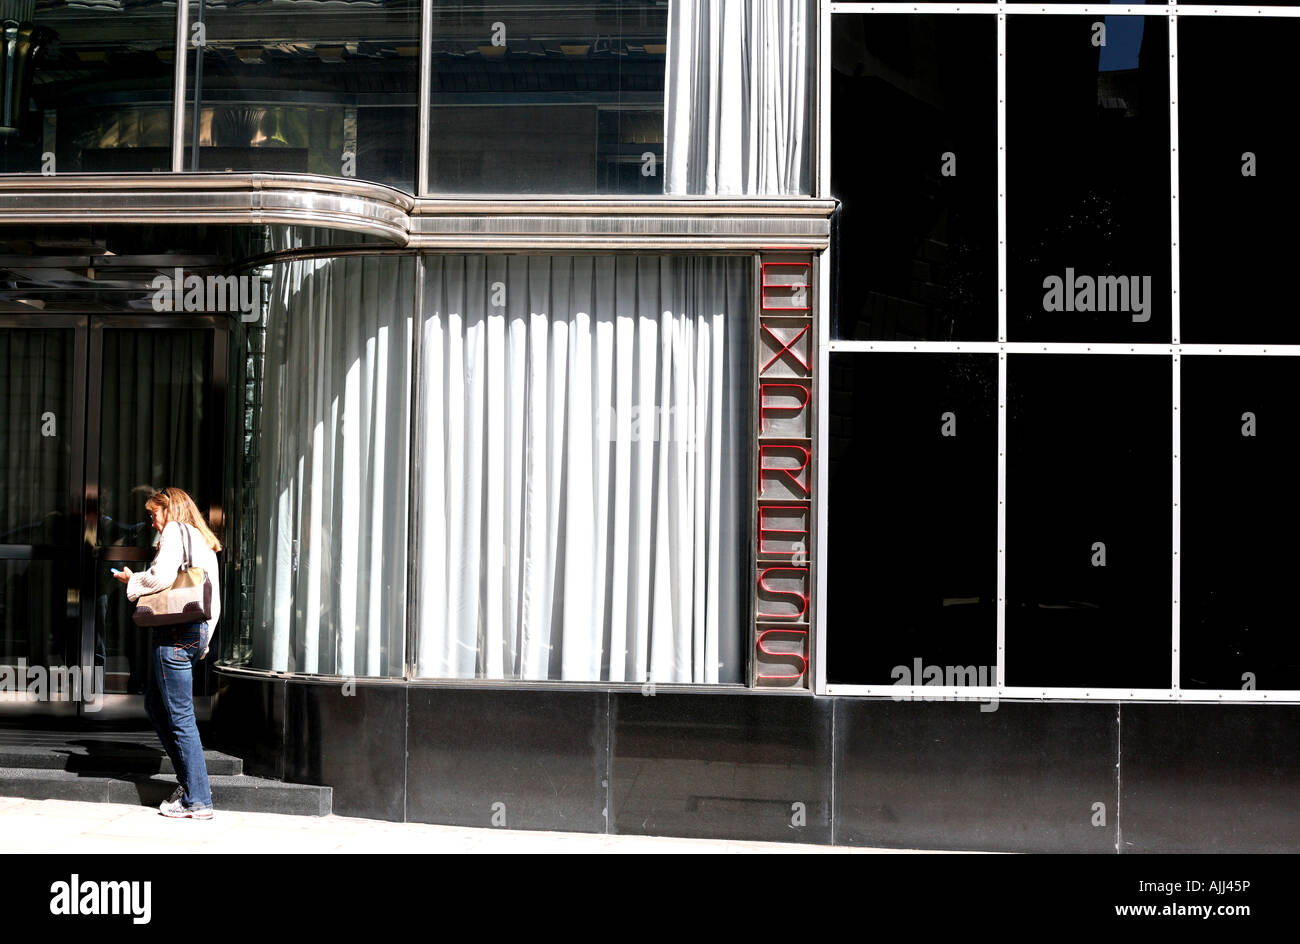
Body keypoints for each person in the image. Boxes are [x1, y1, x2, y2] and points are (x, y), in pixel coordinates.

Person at [113, 487, 222, 819]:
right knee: (157, 704)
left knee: (179, 716)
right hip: (193, 631)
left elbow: (160, 577)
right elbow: (213, 599)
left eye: (155, 514)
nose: (154, 522)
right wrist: (204, 641)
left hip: (175, 634)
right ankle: (191, 785)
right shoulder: (202, 541)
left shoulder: (176, 530)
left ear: (170, 510)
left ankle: (198, 798)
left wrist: (134, 581)